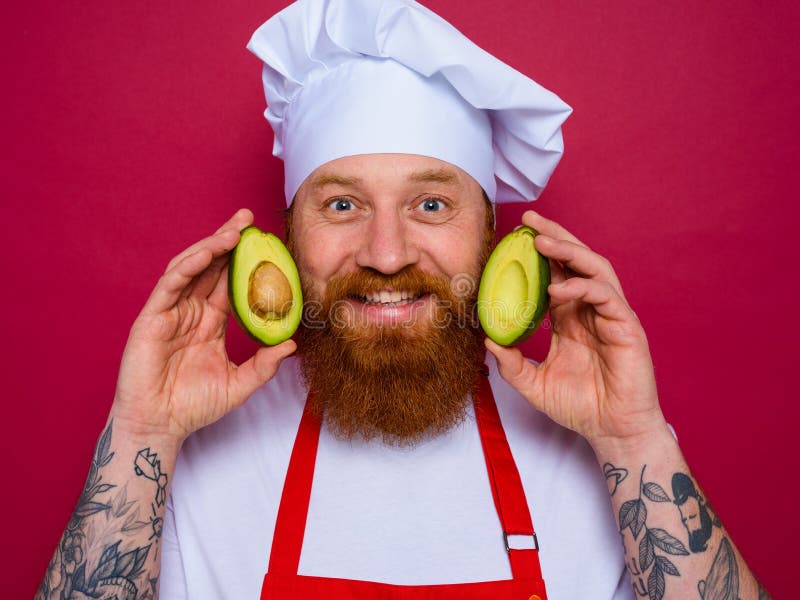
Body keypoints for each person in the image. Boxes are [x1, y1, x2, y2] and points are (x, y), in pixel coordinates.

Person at [37, 1, 771, 599]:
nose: (386, 255)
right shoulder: (189, 454)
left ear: (490, 232)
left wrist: (634, 442)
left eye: (430, 205)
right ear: (289, 233)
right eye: (342, 206)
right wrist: (139, 434)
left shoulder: (595, 448)